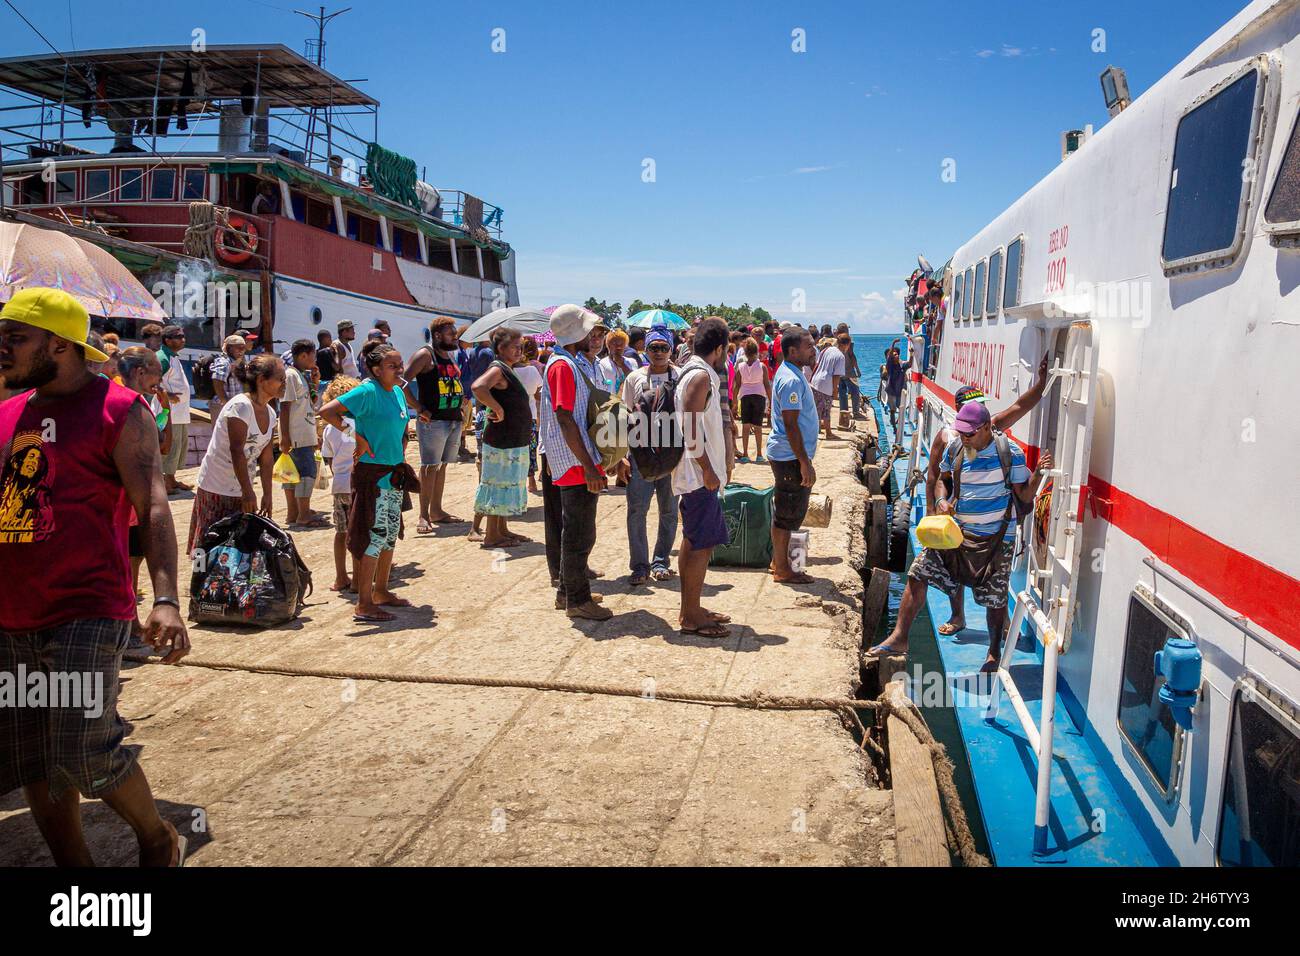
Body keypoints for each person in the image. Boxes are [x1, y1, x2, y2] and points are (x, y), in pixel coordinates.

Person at [0, 287, 189, 866]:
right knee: (32, 758)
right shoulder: (9, 409)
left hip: (88, 603)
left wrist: (164, 598)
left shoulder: (118, 408)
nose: (2, 347)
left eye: (16, 337)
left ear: (60, 344)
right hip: (11, 610)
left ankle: (158, 839)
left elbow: (153, 504)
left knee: (86, 748)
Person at [869, 401, 1053, 671]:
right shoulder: (957, 448)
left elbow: (1024, 496)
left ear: (987, 428)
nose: (965, 437)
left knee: (996, 597)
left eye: (970, 433)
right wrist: (942, 500)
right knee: (918, 572)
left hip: (997, 538)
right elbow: (943, 479)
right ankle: (900, 637)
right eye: (962, 432)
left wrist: (1037, 474)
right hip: (958, 533)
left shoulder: (1009, 453)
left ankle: (992, 652)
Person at [925, 361, 1051, 636]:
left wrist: (1041, 384)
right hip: (956, 511)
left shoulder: (989, 427)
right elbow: (935, 477)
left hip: (990, 517)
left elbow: (1019, 407)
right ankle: (958, 616)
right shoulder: (947, 437)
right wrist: (934, 511)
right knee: (954, 568)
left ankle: (1002, 622)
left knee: (997, 569)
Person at [319, 343, 414, 624]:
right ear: (375, 370)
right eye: (392, 366)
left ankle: (382, 590)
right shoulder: (366, 391)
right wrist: (357, 436)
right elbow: (327, 411)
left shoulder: (396, 391)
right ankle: (364, 602)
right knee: (372, 537)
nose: (399, 370)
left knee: (388, 535)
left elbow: (399, 425)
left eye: (400, 365)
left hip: (394, 474)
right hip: (373, 476)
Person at [538, 304, 610, 621]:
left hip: (577, 459)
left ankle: (566, 591)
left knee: (577, 530)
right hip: (574, 461)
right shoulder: (563, 366)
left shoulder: (568, 363)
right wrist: (590, 466)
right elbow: (566, 419)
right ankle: (577, 601)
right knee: (579, 534)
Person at [672, 317, 731, 638]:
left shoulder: (692, 370)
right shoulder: (700, 376)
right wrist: (708, 468)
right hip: (697, 473)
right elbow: (691, 427)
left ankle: (691, 607)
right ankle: (691, 615)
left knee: (695, 539)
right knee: (699, 543)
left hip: (696, 471)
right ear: (719, 348)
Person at [188, 353, 281, 552]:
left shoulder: (271, 413)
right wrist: (248, 492)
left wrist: (267, 494)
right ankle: (198, 581)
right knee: (207, 545)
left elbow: (266, 459)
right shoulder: (241, 406)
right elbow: (236, 450)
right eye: (280, 378)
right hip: (216, 486)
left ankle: (220, 584)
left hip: (241, 489)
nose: (284, 383)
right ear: (262, 380)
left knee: (233, 548)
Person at [117, 346, 172, 639]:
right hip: (127, 502)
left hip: (134, 503)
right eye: (156, 375)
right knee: (125, 563)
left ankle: (130, 621)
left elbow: (163, 444)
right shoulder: (126, 404)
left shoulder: (147, 403)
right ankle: (125, 625)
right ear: (140, 373)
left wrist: (166, 410)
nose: (159, 382)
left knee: (133, 562)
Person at [619, 328, 679, 586]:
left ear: (671, 350)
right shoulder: (634, 378)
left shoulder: (680, 376)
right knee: (637, 510)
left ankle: (661, 560)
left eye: (663, 348)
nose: (658, 353)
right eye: (653, 347)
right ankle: (640, 565)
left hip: (672, 454)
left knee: (669, 510)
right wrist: (621, 455)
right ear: (646, 350)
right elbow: (624, 415)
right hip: (640, 453)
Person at [765, 327, 820, 585]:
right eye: (808, 346)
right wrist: (804, 462)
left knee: (789, 511)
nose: (813, 349)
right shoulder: (791, 380)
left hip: (789, 454)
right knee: (788, 513)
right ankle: (783, 569)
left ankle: (779, 562)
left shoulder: (794, 374)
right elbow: (790, 424)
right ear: (792, 351)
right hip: (789, 456)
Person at [471, 328, 533, 548]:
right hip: (502, 440)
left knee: (506, 484)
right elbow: (478, 387)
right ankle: (491, 535)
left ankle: (501, 529)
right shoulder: (498, 369)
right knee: (498, 485)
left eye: (521, 346)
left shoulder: (507, 369)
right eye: (515, 346)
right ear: (501, 348)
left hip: (511, 439)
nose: (520, 350)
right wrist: (497, 408)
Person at [405, 316, 466, 531]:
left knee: (441, 467)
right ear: (438, 335)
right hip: (433, 421)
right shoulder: (425, 355)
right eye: (451, 333)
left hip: (452, 419)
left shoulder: (448, 355)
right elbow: (402, 382)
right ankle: (423, 516)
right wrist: (419, 409)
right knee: (430, 466)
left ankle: (437, 511)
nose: (455, 336)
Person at [319, 376, 361, 592]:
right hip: (357, 485)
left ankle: (340, 577)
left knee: (341, 531)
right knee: (359, 533)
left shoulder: (328, 428)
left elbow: (328, 458)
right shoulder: (360, 424)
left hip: (340, 485)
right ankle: (357, 581)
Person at [280, 339, 326, 528]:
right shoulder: (291, 375)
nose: (315, 359)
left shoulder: (301, 376)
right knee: (307, 472)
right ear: (304, 355)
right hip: (297, 434)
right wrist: (284, 436)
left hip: (303, 432)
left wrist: (314, 383)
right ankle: (303, 514)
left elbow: (311, 403)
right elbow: (284, 406)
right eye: (313, 354)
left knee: (292, 474)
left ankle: (294, 512)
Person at [156, 324, 193, 494]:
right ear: (168, 340)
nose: (182, 340)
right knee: (170, 446)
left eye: (183, 336)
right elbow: (152, 381)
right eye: (178, 337)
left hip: (180, 412)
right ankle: (165, 482)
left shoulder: (173, 357)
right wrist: (167, 395)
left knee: (179, 446)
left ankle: (171, 479)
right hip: (170, 412)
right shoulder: (162, 357)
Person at [731, 337, 770, 463]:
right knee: (758, 426)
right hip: (759, 396)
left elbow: (736, 385)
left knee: (746, 426)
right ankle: (759, 453)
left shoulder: (741, 366)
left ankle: (746, 453)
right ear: (757, 351)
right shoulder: (762, 366)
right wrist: (771, 400)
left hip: (745, 396)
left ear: (745, 352)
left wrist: (735, 402)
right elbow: (766, 384)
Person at [519, 337, 545, 494]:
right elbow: (538, 394)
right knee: (532, 449)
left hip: (513, 418)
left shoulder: (504, 369)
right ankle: (532, 481)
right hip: (533, 415)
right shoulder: (536, 368)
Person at [810, 333, 844, 440]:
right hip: (826, 384)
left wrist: (811, 378)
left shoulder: (826, 349)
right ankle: (828, 433)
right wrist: (835, 390)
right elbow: (836, 375)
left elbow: (817, 364)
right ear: (846, 345)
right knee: (826, 410)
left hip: (815, 381)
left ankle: (814, 431)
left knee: (815, 408)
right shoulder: (840, 356)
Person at [210, 333, 247, 420]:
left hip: (232, 406)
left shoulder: (235, 362)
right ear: (229, 348)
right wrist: (226, 403)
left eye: (244, 348)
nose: (242, 351)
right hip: (221, 406)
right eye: (239, 348)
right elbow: (217, 381)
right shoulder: (224, 362)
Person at [596, 329, 635, 393]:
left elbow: (635, 381)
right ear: (608, 345)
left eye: (621, 344)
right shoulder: (601, 364)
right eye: (615, 343)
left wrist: (623, 365)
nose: (618, 347)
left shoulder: (631, 362)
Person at [837, 328, 864, 418]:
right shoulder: (849, 342)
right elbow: (852, 356)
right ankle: (856, 412)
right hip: (849, 371)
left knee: (842, 393)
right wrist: (857, 369)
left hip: (839, 372)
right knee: (855, 391)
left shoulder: (836, 342)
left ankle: (844, 412)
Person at [884, 339, 907, 427]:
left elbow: (907, 365)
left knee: (899, 405)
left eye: (897, 354)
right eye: (894, 354)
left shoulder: (901, 364)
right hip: (891, 389)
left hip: (899, 388)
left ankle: (898, 420)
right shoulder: (890, 364)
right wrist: (893, 343)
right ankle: (893, 425)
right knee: (893, 409)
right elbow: (889, 356)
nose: (896, 355)